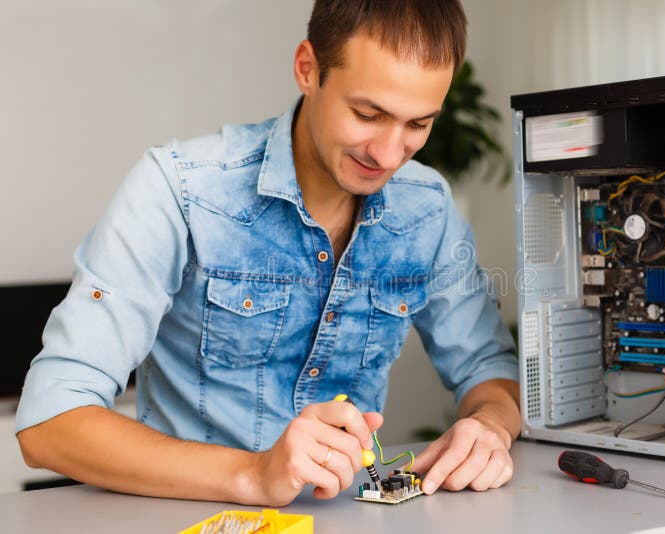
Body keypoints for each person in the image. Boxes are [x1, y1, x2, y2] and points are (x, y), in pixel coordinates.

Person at [16, 0, 520, 507]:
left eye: (418, 125)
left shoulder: (428, 208)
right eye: (368, 114)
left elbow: (490, 371)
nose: (389, 155)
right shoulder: (180, 190)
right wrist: (255, 474)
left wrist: (488, 426)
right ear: (308, 69)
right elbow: (50, 421)